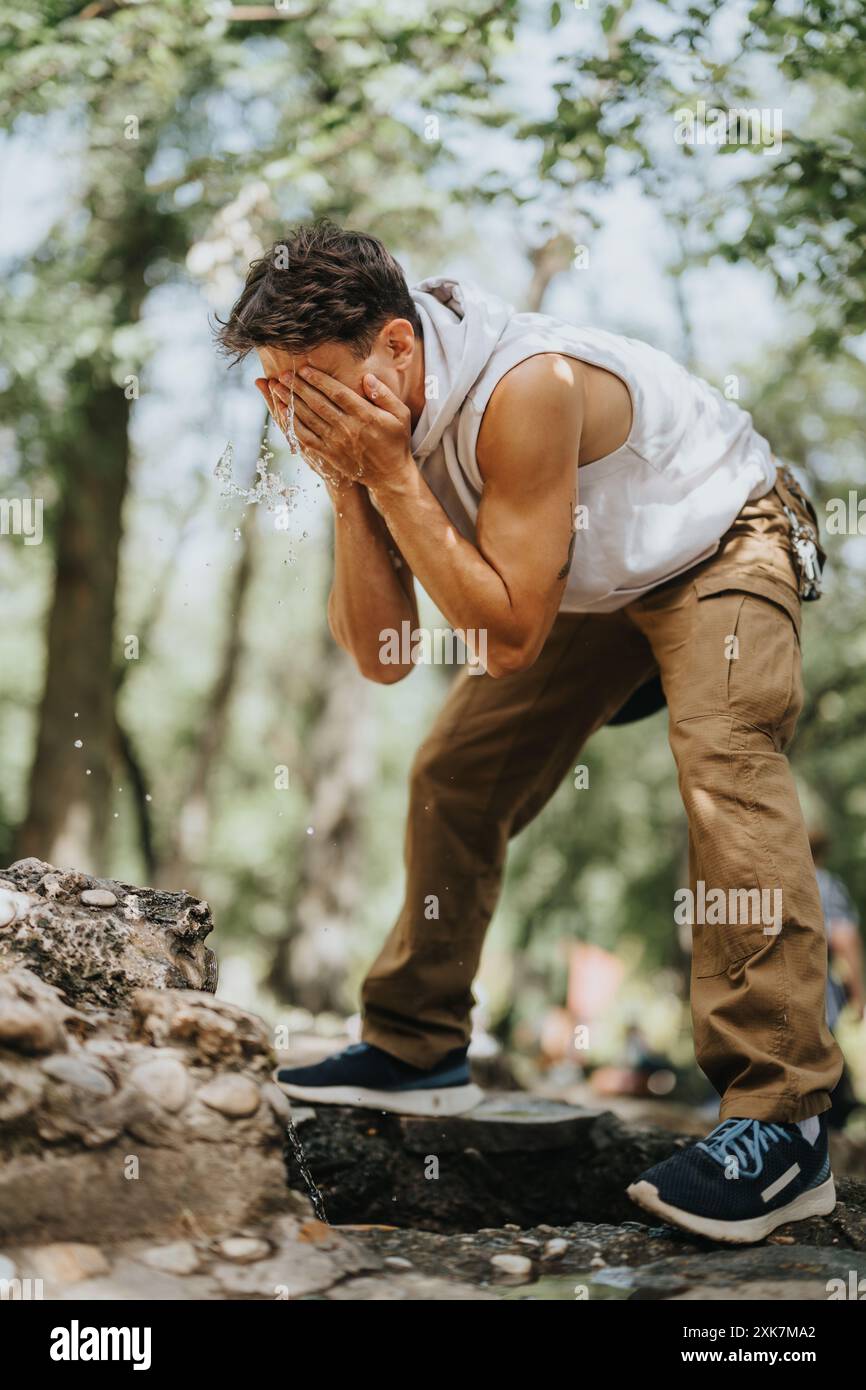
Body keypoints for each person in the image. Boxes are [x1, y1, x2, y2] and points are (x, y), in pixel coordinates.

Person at [216, 221, 843, 1243]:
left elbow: (503, 638)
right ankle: (416, 1042)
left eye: (318, 388)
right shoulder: (376, 424)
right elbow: (381, 654)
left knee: (723, 764)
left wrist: (386, 473)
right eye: (283, 395)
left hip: (721, 536)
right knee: (453, 773)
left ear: (397, 349)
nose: (303, 414)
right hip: (580, 583)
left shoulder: (528, 387)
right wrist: (347, 481)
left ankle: (782, 1123)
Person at [809, 826, 865, 1129]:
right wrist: (859, 995)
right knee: (824, 1072)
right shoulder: (826, 885)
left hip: (769, 995)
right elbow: (844, 939)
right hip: (815, 994)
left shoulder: (772, 884)